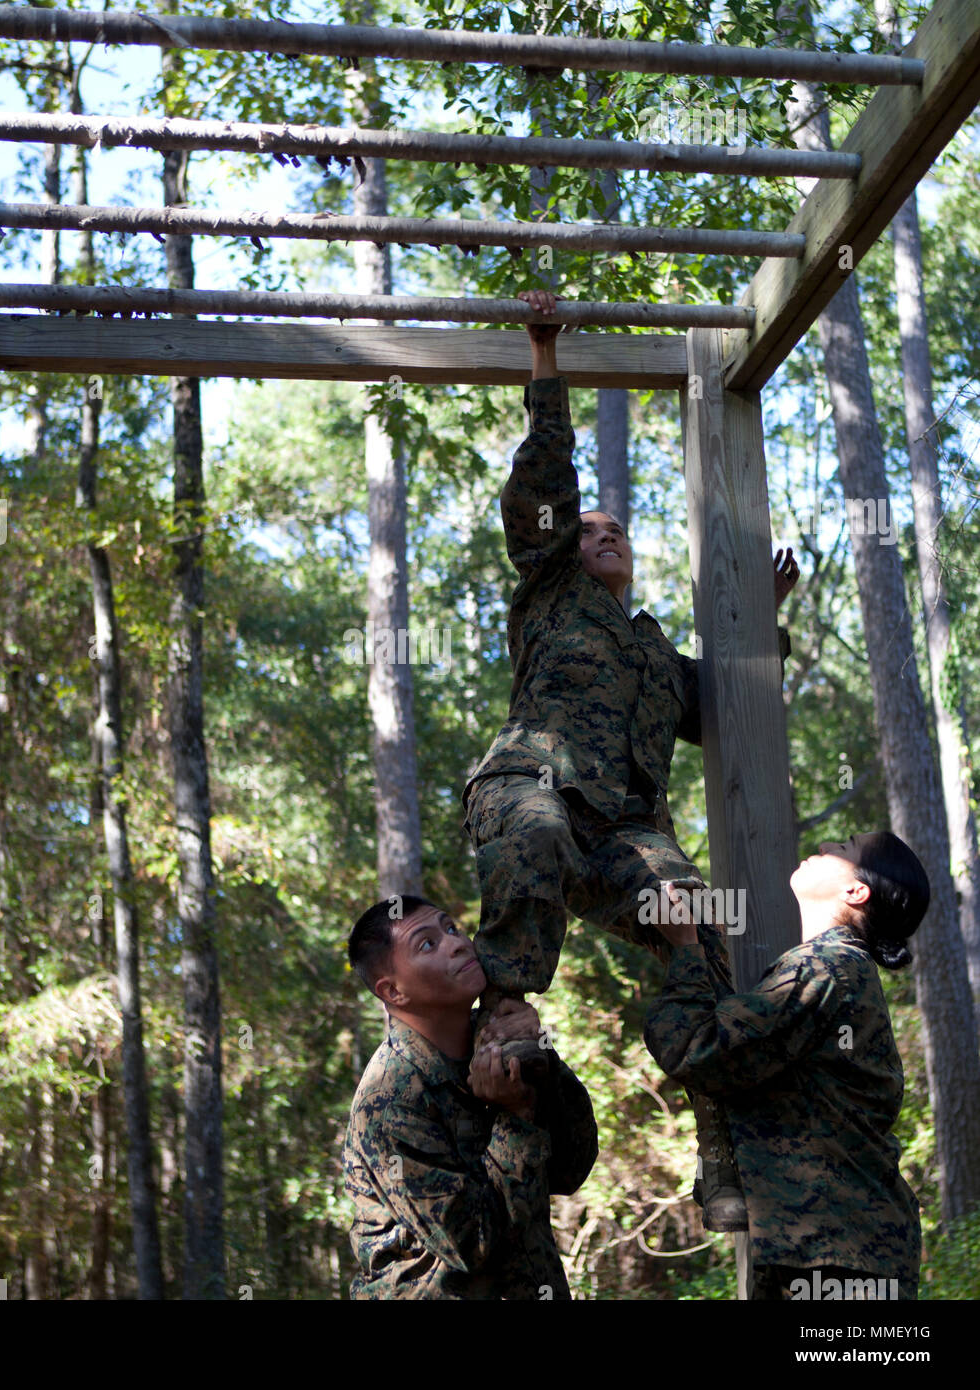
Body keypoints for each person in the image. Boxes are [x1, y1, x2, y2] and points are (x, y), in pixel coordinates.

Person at [462, 287, 799, 1228]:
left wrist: (765, 621)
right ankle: (491, 1067)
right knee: (528, 857)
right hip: (530, 787)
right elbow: (541, 500)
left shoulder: (655, 654)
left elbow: (725, 708)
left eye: (618, 531)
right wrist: (545, 362)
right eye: (592, 529)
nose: (602, 535)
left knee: (706, 918)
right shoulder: (549, 590)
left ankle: (722, 1154)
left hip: (621, 831)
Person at [644, 832, 928, 1300]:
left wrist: (686, 948)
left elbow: (696, 1048)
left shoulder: (827, 968)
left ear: (857, 891)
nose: (830, 843)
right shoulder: (830, 968)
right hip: (836, 1251)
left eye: (846, 847)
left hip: (834, 1258)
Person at [341, 895, 597, 1299]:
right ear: (392, 991)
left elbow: (571, 1167)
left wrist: (537, 1054)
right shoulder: (389, 1102)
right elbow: (471, 1242)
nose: (456, 943)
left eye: (451, 928)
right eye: (427, 944)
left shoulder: (495, 1034)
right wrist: (513, 1115)